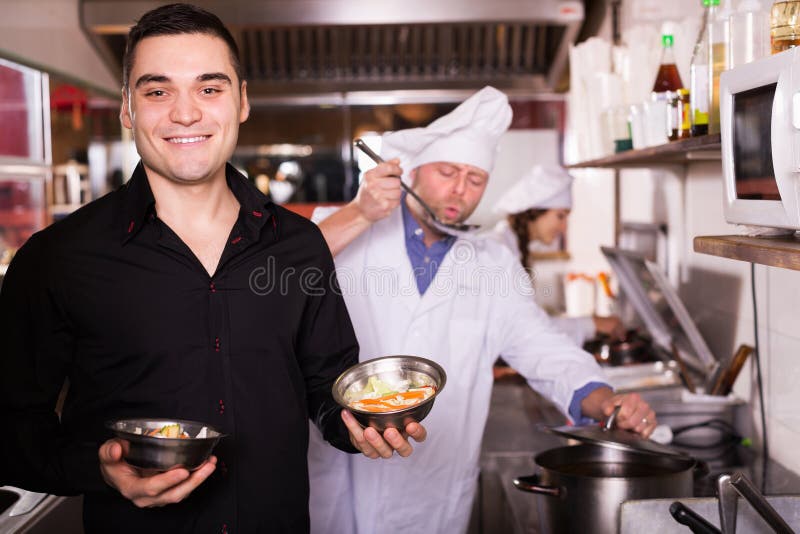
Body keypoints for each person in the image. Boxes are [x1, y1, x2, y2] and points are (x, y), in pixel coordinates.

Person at [0, 4, 424, 533]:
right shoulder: (56, 258)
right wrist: (102, 471)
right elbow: (12, 428)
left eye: (209, 88)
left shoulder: (299, 246)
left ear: (241, 101)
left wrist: (361, 425)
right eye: (158, 91)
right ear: (127, 110)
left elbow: (327, 388)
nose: (185, 113)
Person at [306, 86, 657, 534]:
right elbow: (282, 268)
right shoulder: (346, 234)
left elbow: (542, 346)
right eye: (447, 171)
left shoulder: (493, 264)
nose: (459, 190)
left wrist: (606, 399)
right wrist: (359, 212)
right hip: (343, 479)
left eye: (475, 180)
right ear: (411, 171)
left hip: (432, 491)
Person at [490, 164, 626, 345]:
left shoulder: (510, 245)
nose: (564, 228)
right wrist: (592, 324)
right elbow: (523, 329)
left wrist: (590, 324)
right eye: (560, 216)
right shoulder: (499, 252)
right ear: (534, 212)